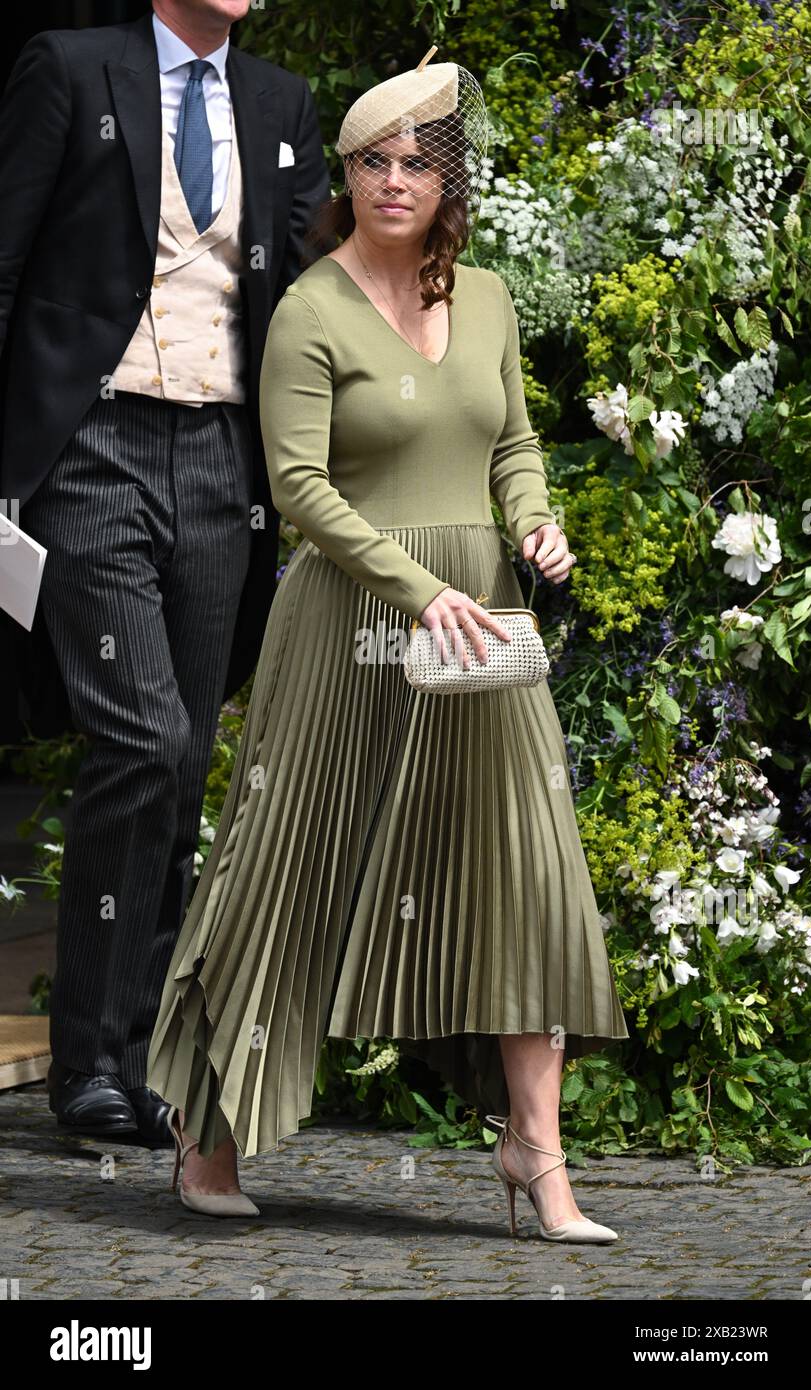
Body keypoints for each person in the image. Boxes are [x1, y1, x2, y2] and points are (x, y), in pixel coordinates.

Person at [147, 52, 629, 1239]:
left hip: (481, 627)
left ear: (449, 178)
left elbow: (510, 442)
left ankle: (537, 1155)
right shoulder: (310, 310)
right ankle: (207, 1142)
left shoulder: (494, 296)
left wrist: (534, 520)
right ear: (346, 175)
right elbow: (299, 488)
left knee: (526, 866)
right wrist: (417, 589)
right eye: (373, 160)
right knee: (288, 867)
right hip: (350, 628)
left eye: (419, 160)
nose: (396, 179)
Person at [0, 0, 331, 1145]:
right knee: (142, 733)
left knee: (185, 760)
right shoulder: (70, 66)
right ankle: (84, 1060)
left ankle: (140, 1062)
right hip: (90, 445)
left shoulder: (281, 101)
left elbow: (298, 293)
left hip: (221, 461)